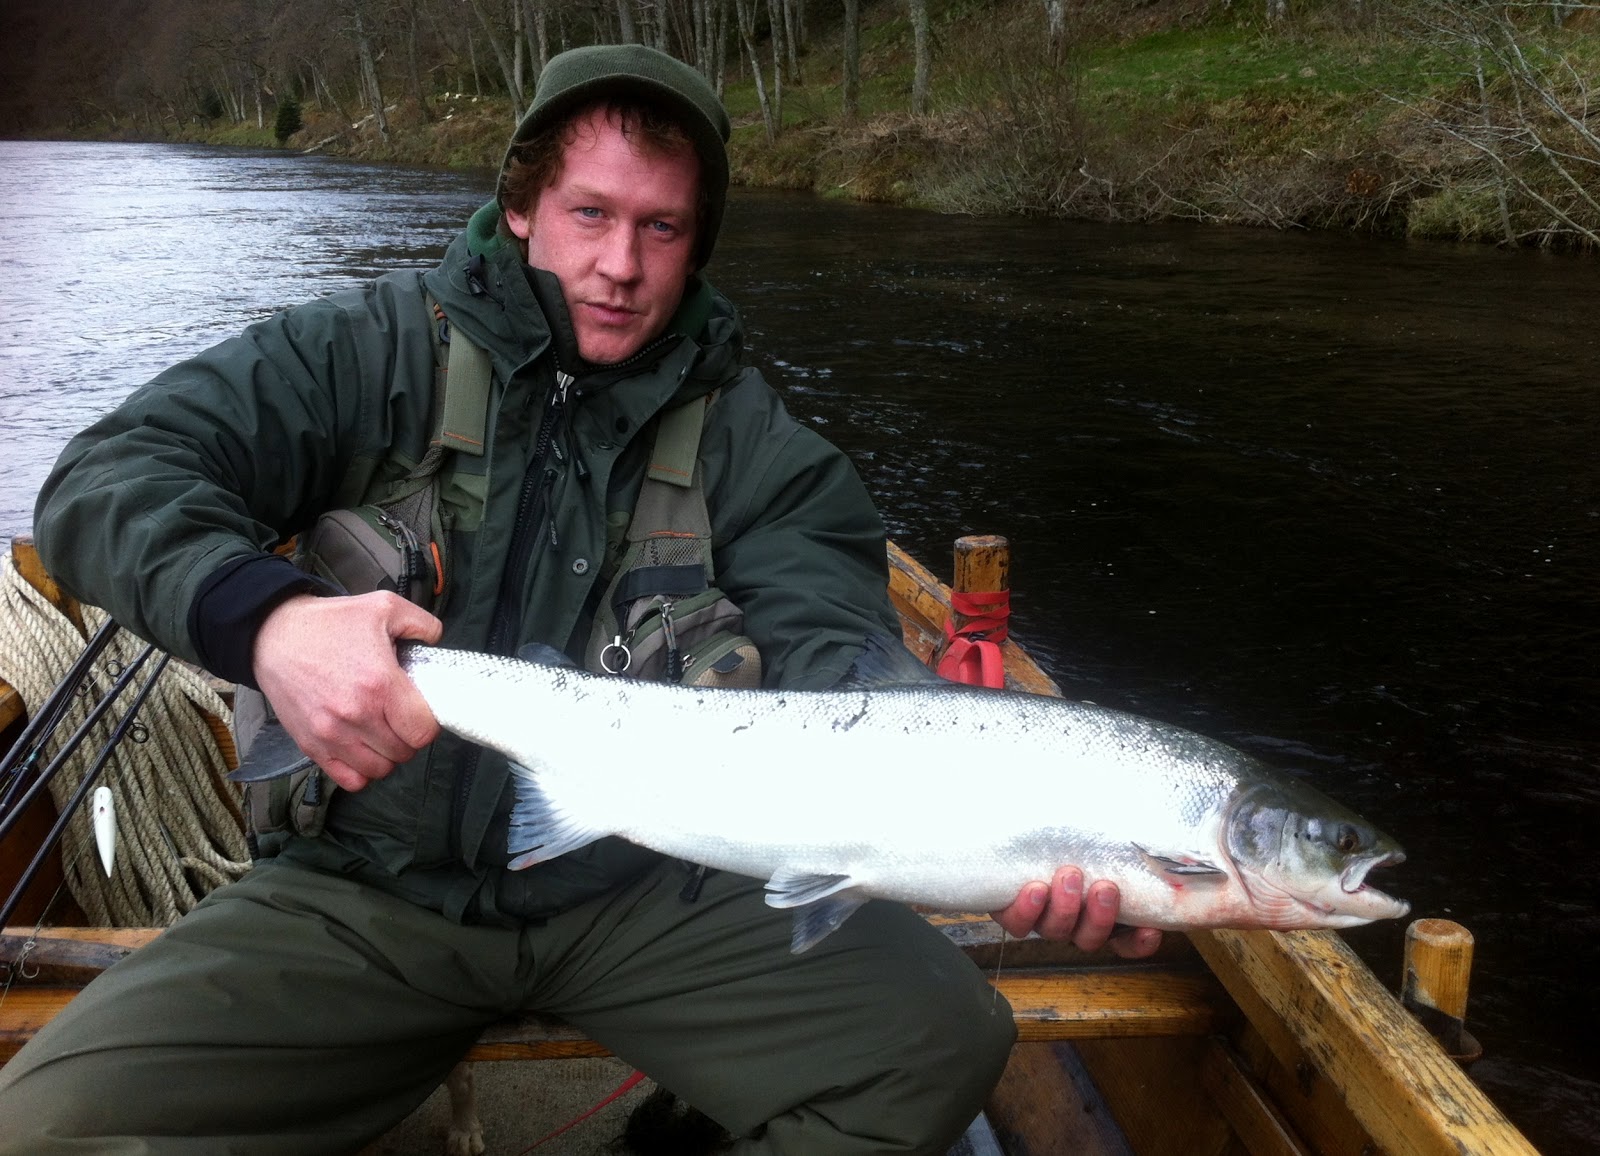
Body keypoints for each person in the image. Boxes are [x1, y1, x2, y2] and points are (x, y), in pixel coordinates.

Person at [0, 45, 1159, 1155]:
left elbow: (840, 669)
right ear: (521, 208)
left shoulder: (771, 457)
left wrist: (997, 841)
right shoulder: (363, 353)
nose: (621, 264)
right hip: (364, 893)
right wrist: (265, 618)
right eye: (591, 215)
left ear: (696, 243)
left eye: (660, 228)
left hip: (652, 887)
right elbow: (107, 479)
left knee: (940, 1045)